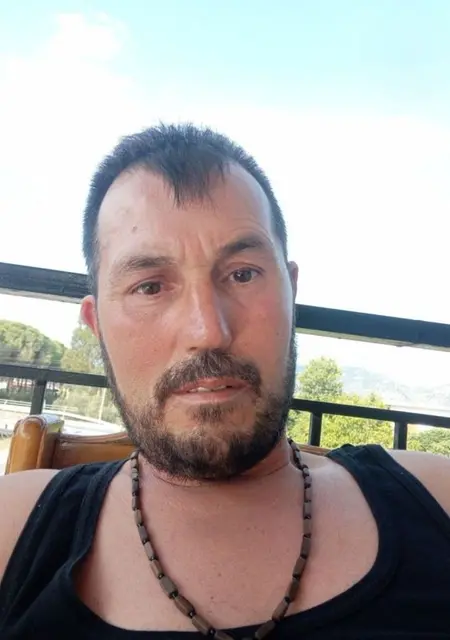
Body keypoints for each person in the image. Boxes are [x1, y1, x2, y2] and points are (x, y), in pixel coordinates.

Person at [0, 124, 449, 640]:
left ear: (291, 293)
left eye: (243, 274)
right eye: (150, 286)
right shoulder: (13, 528)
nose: (208, 331)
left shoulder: (436, 499)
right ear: (97, 323)